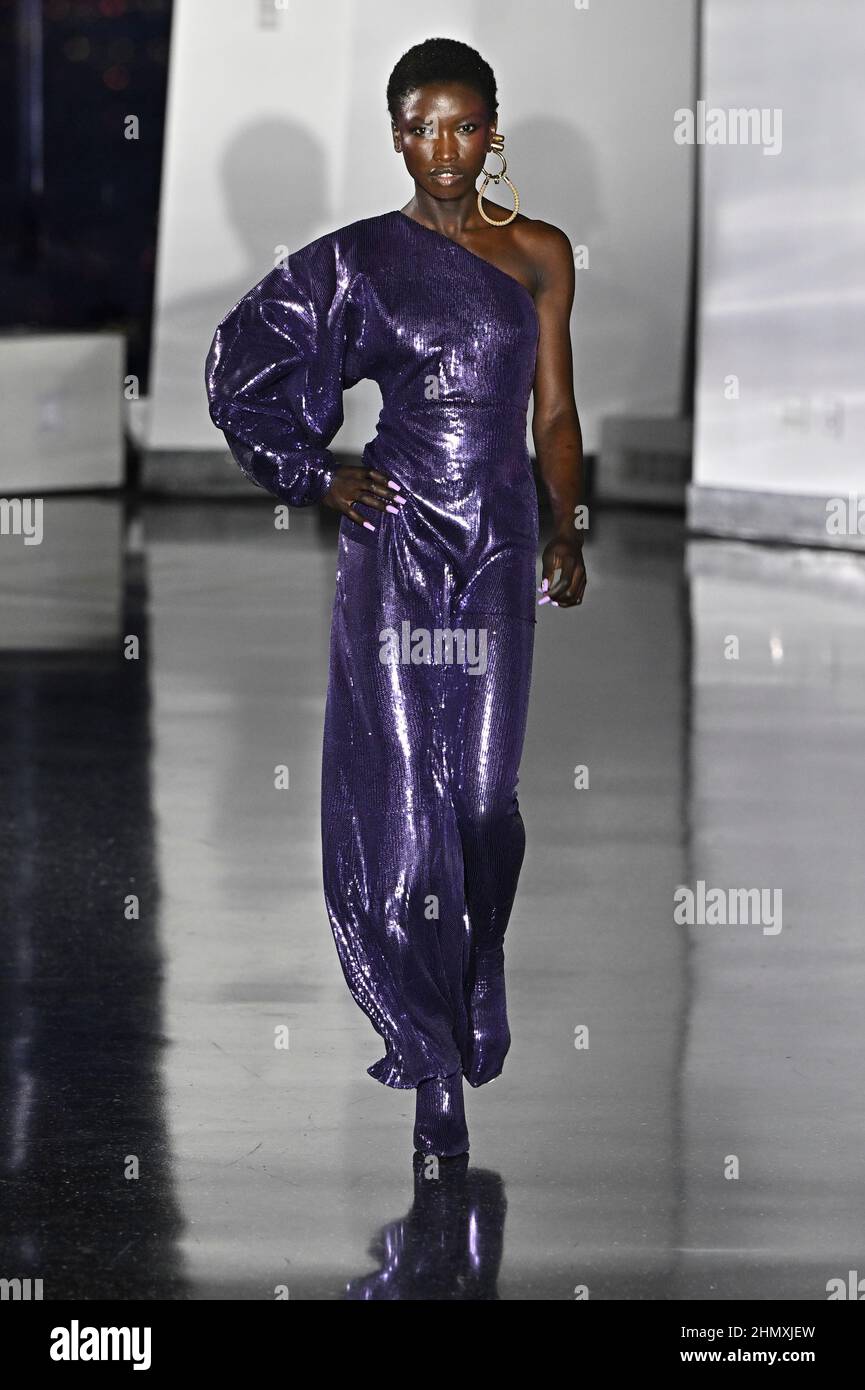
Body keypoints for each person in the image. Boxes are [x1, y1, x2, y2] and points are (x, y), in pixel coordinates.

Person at [205, 36, 586, 1160]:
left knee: (483, 801)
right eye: (421, 127)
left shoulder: (539, 256)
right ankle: (432, 1063)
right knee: (410, 810)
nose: (444, 149)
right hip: (400, 548)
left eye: (464, 125)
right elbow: (244, 361)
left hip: (503, 544)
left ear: (491, 131)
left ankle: (479, 962)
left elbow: (553, 415)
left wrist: (570, 523)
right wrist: (314, 473)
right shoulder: (362, 262)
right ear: (395, 136)